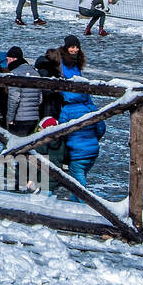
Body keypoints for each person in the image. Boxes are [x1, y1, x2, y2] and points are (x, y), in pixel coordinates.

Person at [58, 35, 103, 198]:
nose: (75, 49)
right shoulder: (62, 63)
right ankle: (76, 202)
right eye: (72, 47)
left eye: (77, 47)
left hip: (77, 149)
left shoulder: (68, 109)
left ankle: (82, 204)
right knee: (79, 178)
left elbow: (60, 130)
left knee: (79, 180)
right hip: (91, 147)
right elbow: (100, 126)